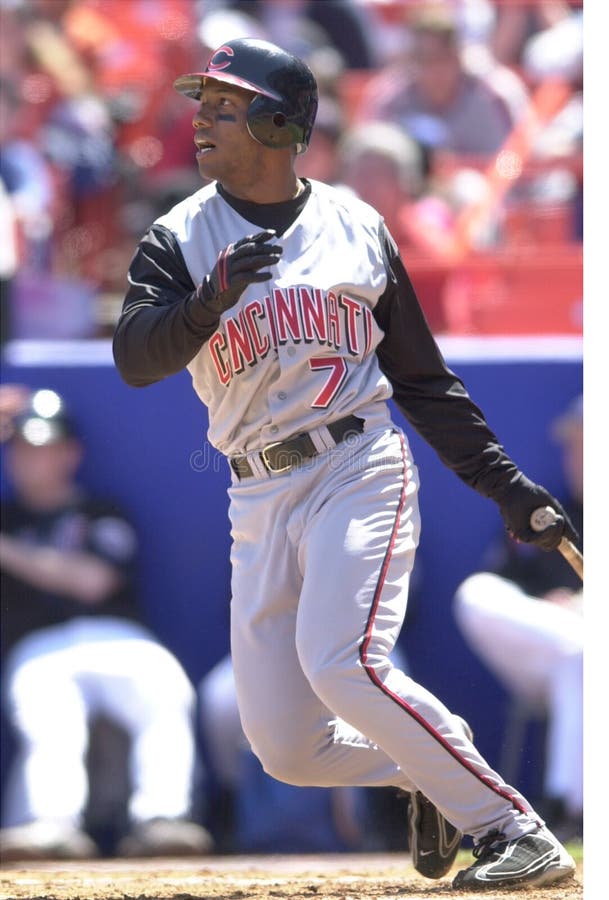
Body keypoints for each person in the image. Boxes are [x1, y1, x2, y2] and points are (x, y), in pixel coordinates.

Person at [113, 37, 578, 890]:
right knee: (286, 748)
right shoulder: (180, 236)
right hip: (255, 488)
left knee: (342, 662)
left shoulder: (356, 226)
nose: (202, 120)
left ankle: (513, 831)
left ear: (279, 123)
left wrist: (504, 486)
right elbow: (135, 358)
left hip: (353, 462)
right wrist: (207, 302)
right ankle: (432, 771)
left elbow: (422, 381)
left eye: (225, 106)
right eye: (202, 104)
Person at [0, 388, 213, 861]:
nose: (32, 460)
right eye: (22, 448)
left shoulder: (102, 511)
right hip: (39, 647)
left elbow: (93, 581)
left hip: (118, 638)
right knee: (47, 710)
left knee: (163, 688)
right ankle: (48, 825)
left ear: (71, 453)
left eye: (45, 447)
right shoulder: (7, 516)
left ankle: (164, 819)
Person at [453, 394, 583, 841]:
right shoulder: (546, 512)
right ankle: (568, 811)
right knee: (476, 592)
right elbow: (505, 582)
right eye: (574, 445)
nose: (578, 456)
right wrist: (555, 608)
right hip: (550, 649)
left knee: (582, 657)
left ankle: (571, 808)